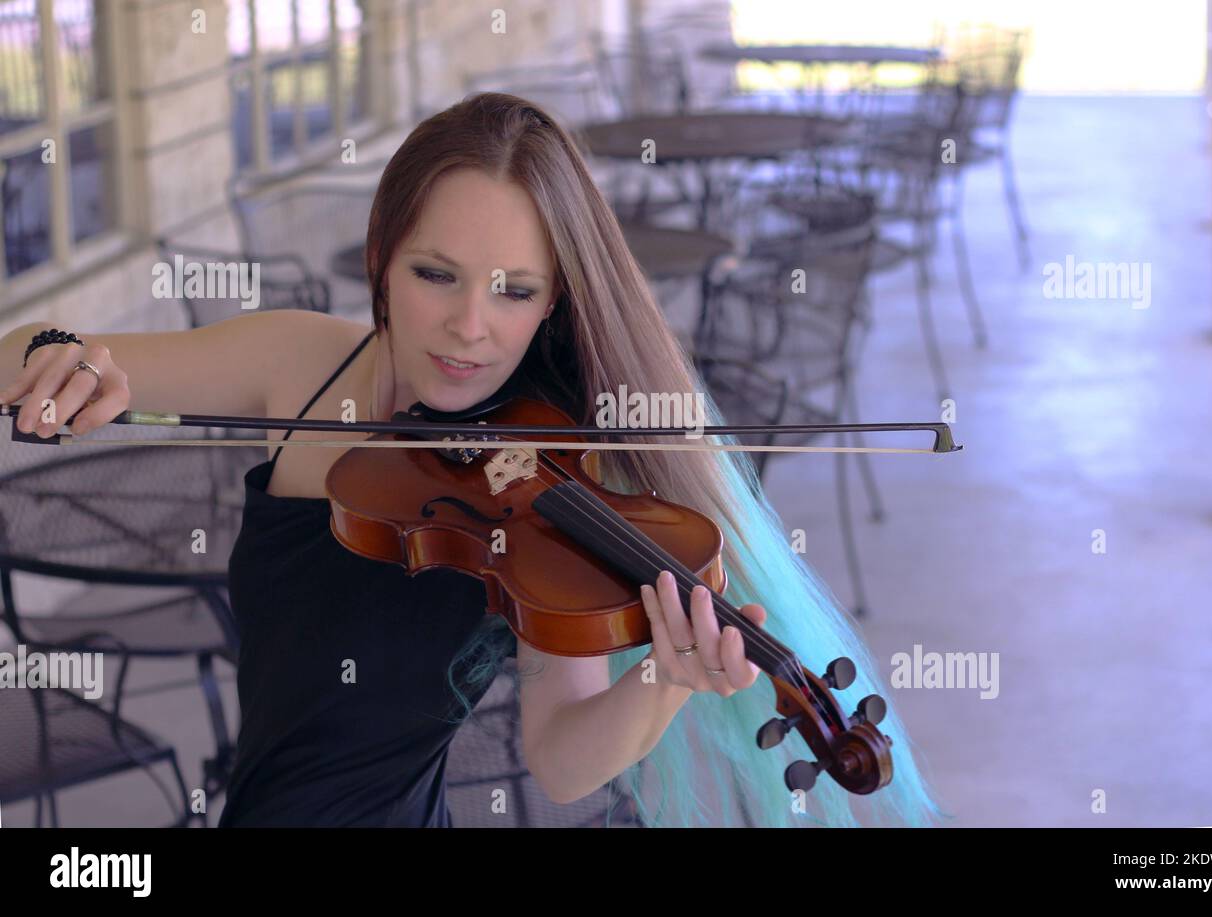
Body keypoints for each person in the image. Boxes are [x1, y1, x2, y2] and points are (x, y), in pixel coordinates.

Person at [0, 92, 940, 828]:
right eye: (434, 273)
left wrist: (665, 680)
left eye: (514, 291)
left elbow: (564, 759)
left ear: (555, 304)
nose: (467, 327)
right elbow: (19, 356)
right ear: (381, 255)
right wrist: (59, 351)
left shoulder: (557, 481)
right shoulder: (293, 363)